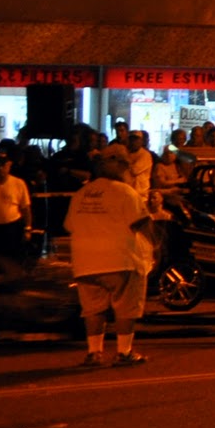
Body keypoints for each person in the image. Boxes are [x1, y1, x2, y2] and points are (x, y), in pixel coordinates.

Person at [65, 153, 153, 367]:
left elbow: (69, 226)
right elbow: (141, 223)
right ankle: (124, 352)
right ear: (121, 169)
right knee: (126, 307)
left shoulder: (81, 193)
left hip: (86, 261)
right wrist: (156, 247)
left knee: (93, 309)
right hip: (120, 259)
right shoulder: (125, 192)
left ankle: (94, 353)